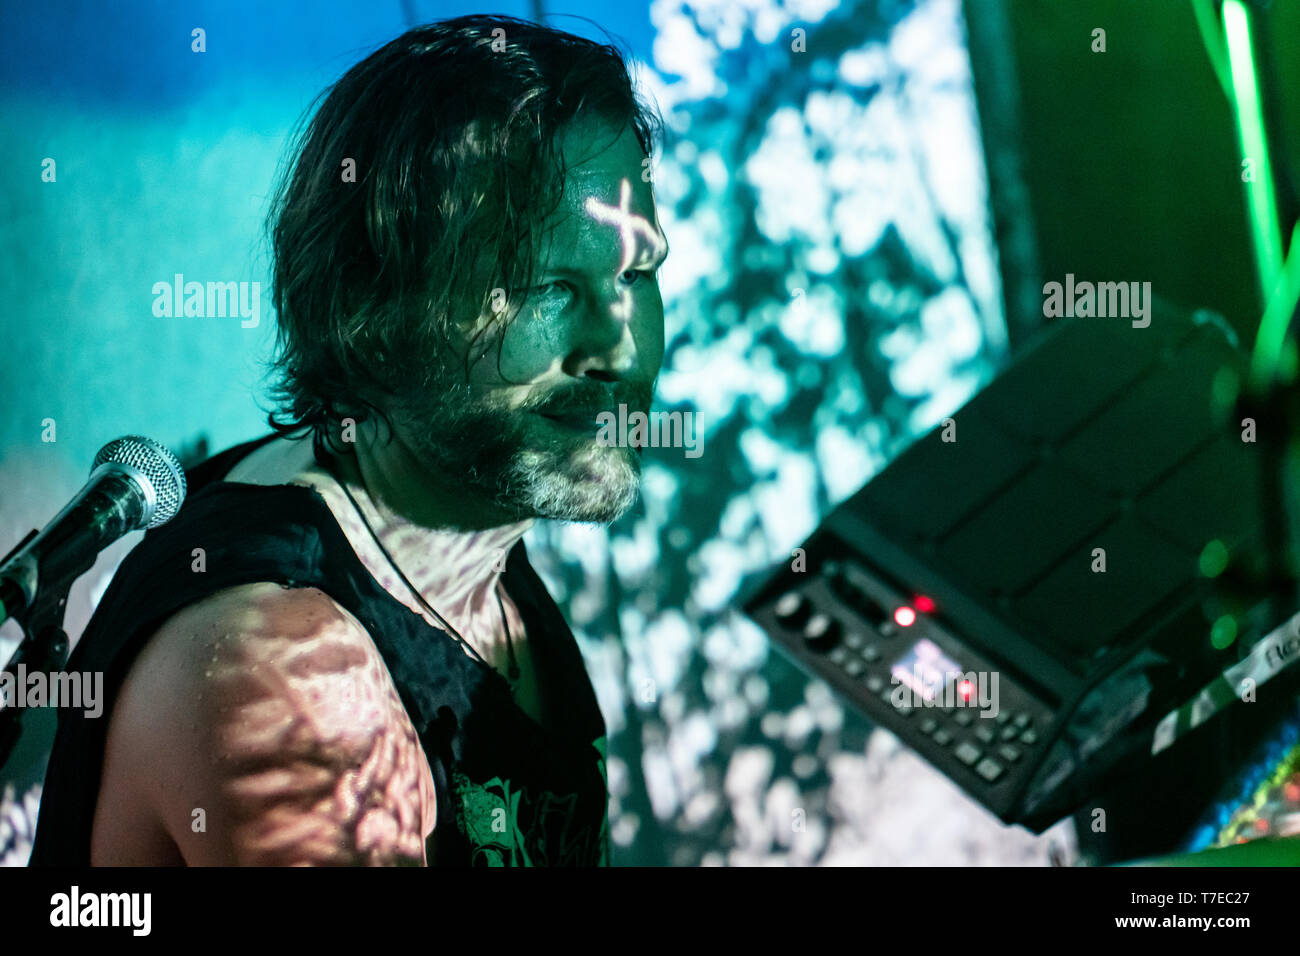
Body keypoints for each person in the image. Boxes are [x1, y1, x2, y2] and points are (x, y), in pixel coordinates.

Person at [29, 13, 668, 866]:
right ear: (376, 315)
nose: (616, 346)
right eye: (544, 285)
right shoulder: (292, 672)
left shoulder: (454, 506)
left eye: (637, 273)